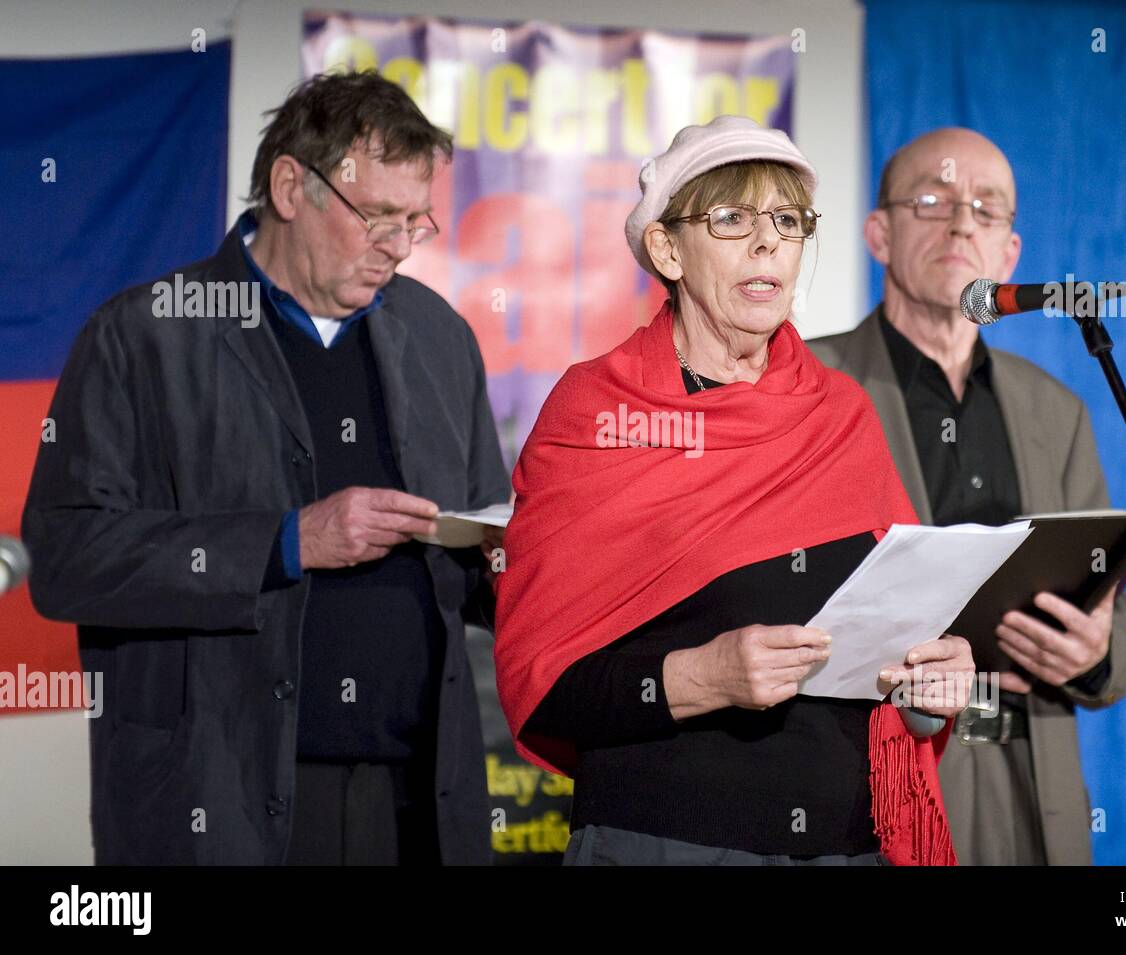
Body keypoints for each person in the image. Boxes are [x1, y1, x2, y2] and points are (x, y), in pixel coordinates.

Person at [22, 71, 510, 865]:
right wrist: (286, 542)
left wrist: (505, 560)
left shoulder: (439, 334)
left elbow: (481, 532)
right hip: (221, 801)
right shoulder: (141, 336)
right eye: (377, 216)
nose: (396, 245)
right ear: (292, 185)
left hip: (419, 800)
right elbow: (67, 559)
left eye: (414, 221)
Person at [493, 115, 974, 866]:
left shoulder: (841, 412)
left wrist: (927, 687)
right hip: (663, 844)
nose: (768, 242)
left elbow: (896, 660)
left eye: (787, 220)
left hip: (851, 848)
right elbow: (546, 683)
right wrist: (701, 677)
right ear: (666, 248)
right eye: (731, 218)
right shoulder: (596, 412)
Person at [807, 127, 1126, 865]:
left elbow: (1116, 633)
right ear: (879, 234)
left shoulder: (1057, 409)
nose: (962, 221)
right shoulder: (811, 383)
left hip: (1036, 782)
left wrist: (1091, 648)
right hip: (883, 780)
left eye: (987, 210)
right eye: (933, 199)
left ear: (1009, 254)